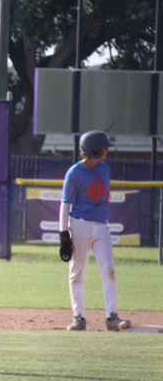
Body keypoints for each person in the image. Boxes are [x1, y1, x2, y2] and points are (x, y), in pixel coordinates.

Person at [59, 130, 131, 332]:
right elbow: (65, 205)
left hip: (101, 226)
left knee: (109, 269)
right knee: (77, 272)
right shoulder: (73, 173)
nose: (107, 150)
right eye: (104, 147)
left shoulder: (104, 168)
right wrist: (64, 235)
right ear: (93, 150)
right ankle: (78, 318)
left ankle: (112, 317)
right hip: (79, 226)